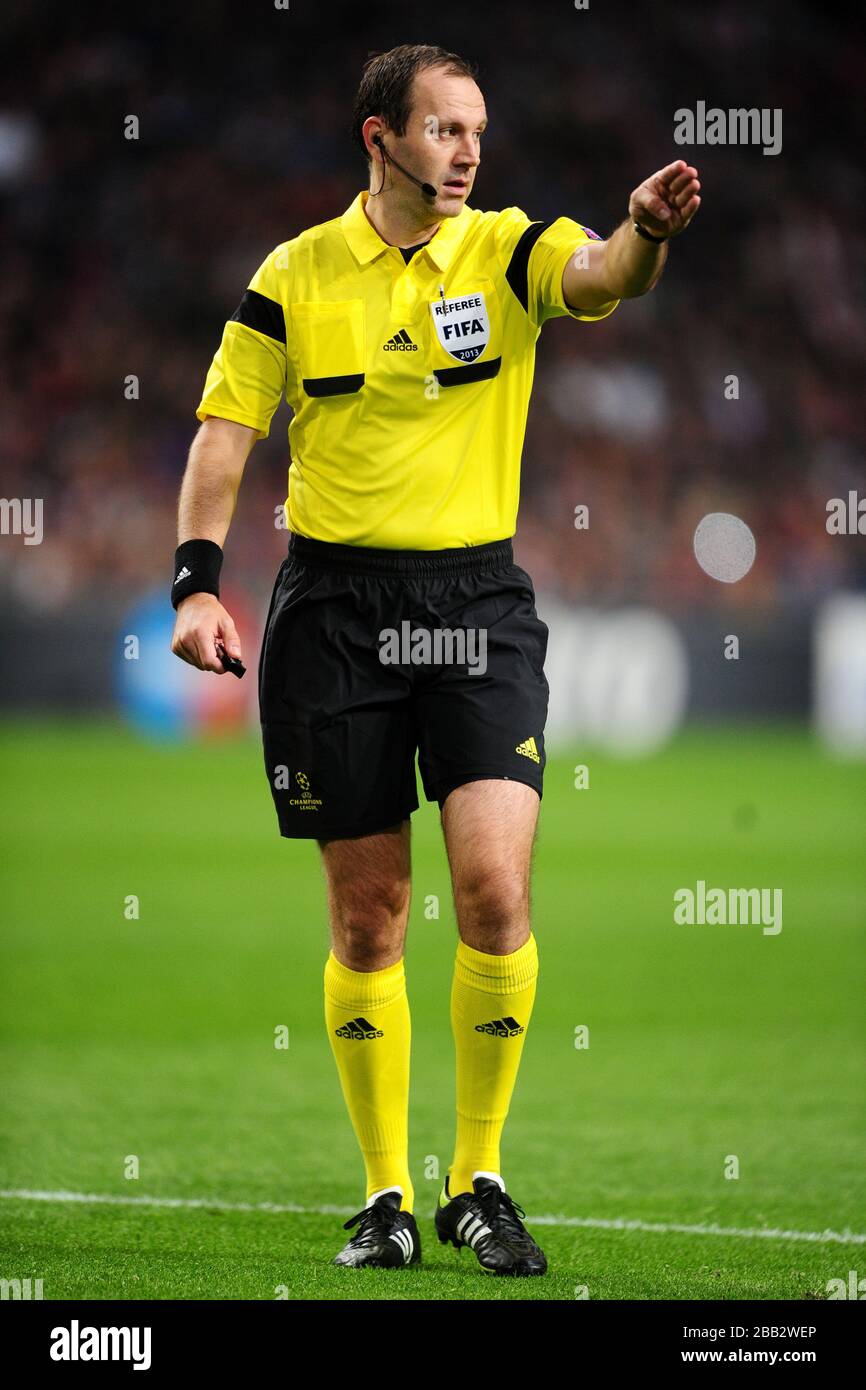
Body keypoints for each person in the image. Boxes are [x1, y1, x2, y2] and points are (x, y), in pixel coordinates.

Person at [170, 42, 700, 1276]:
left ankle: (480, 1177)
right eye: (444, 129)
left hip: (473, 604)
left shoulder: (506, 245)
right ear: (380, 138)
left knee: (495, 895)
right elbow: (221, 435)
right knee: (369, 919)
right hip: (333, 611)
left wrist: (640, 230)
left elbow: (598, 275)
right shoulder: (294, 275)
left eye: (477, 131)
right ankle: (385, 1194)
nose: (467, 151)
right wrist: (196, 586)